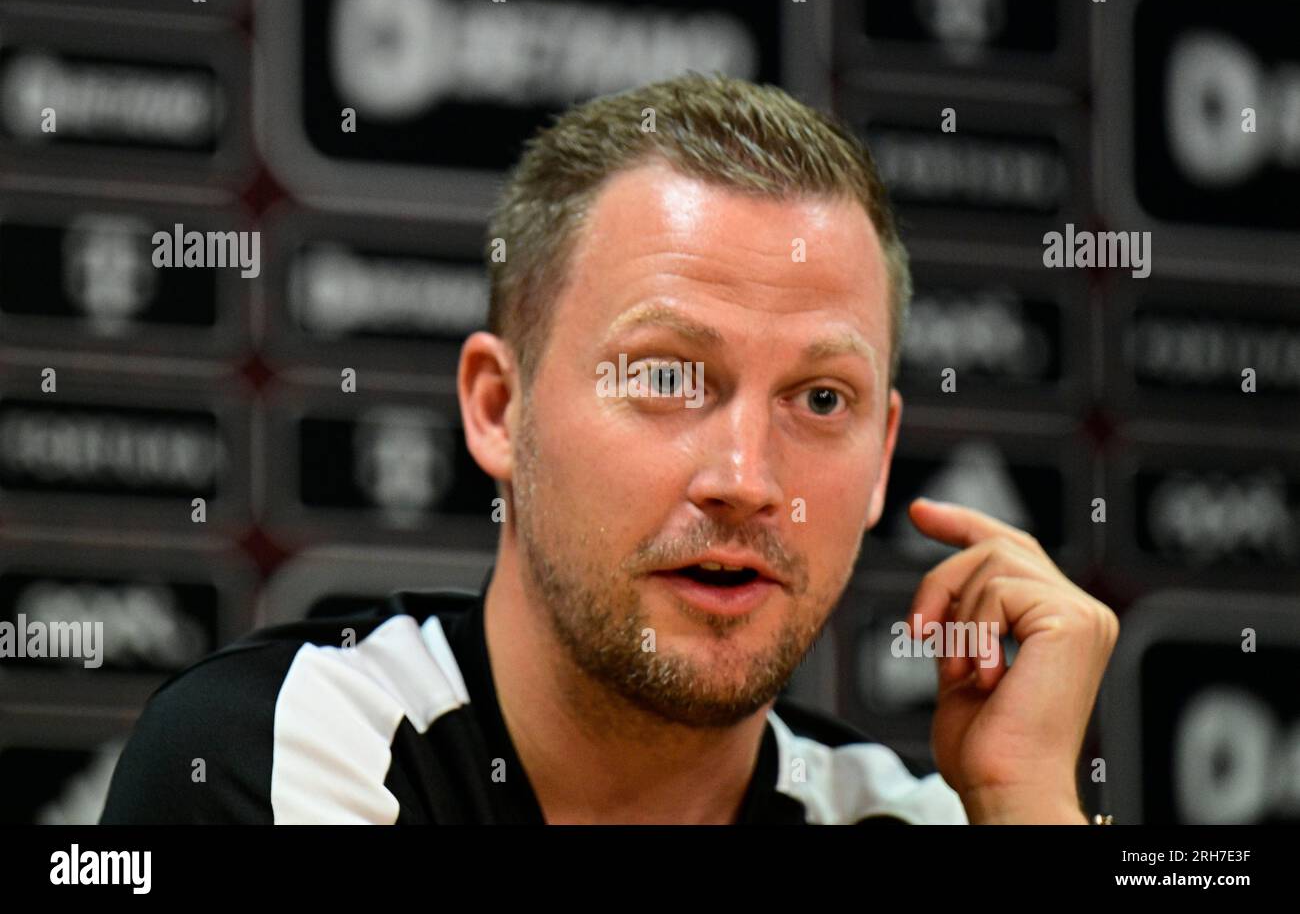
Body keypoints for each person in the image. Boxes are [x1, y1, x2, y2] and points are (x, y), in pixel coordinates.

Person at [101, 71, 1117, 824]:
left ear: (882, 458)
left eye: (818, 397)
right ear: (499, 409)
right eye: (666, 377)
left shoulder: (924, 820)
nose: (744, 481)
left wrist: (1022, 802)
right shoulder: (294, 749)